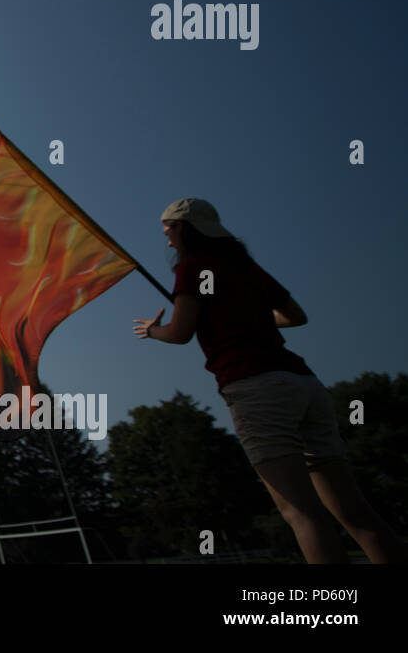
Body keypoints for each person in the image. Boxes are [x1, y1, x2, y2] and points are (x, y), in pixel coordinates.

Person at [133, 197, 404, 564]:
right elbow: (296, 316)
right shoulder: (246, 266)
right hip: (304, 383)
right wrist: (246, 319)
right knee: (354, 512)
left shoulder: (192, 267)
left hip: (255, 388)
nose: (166, 239)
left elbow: (180, 333)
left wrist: (153, 331)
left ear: (183, 228)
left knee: (302, 514)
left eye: (168, 228)